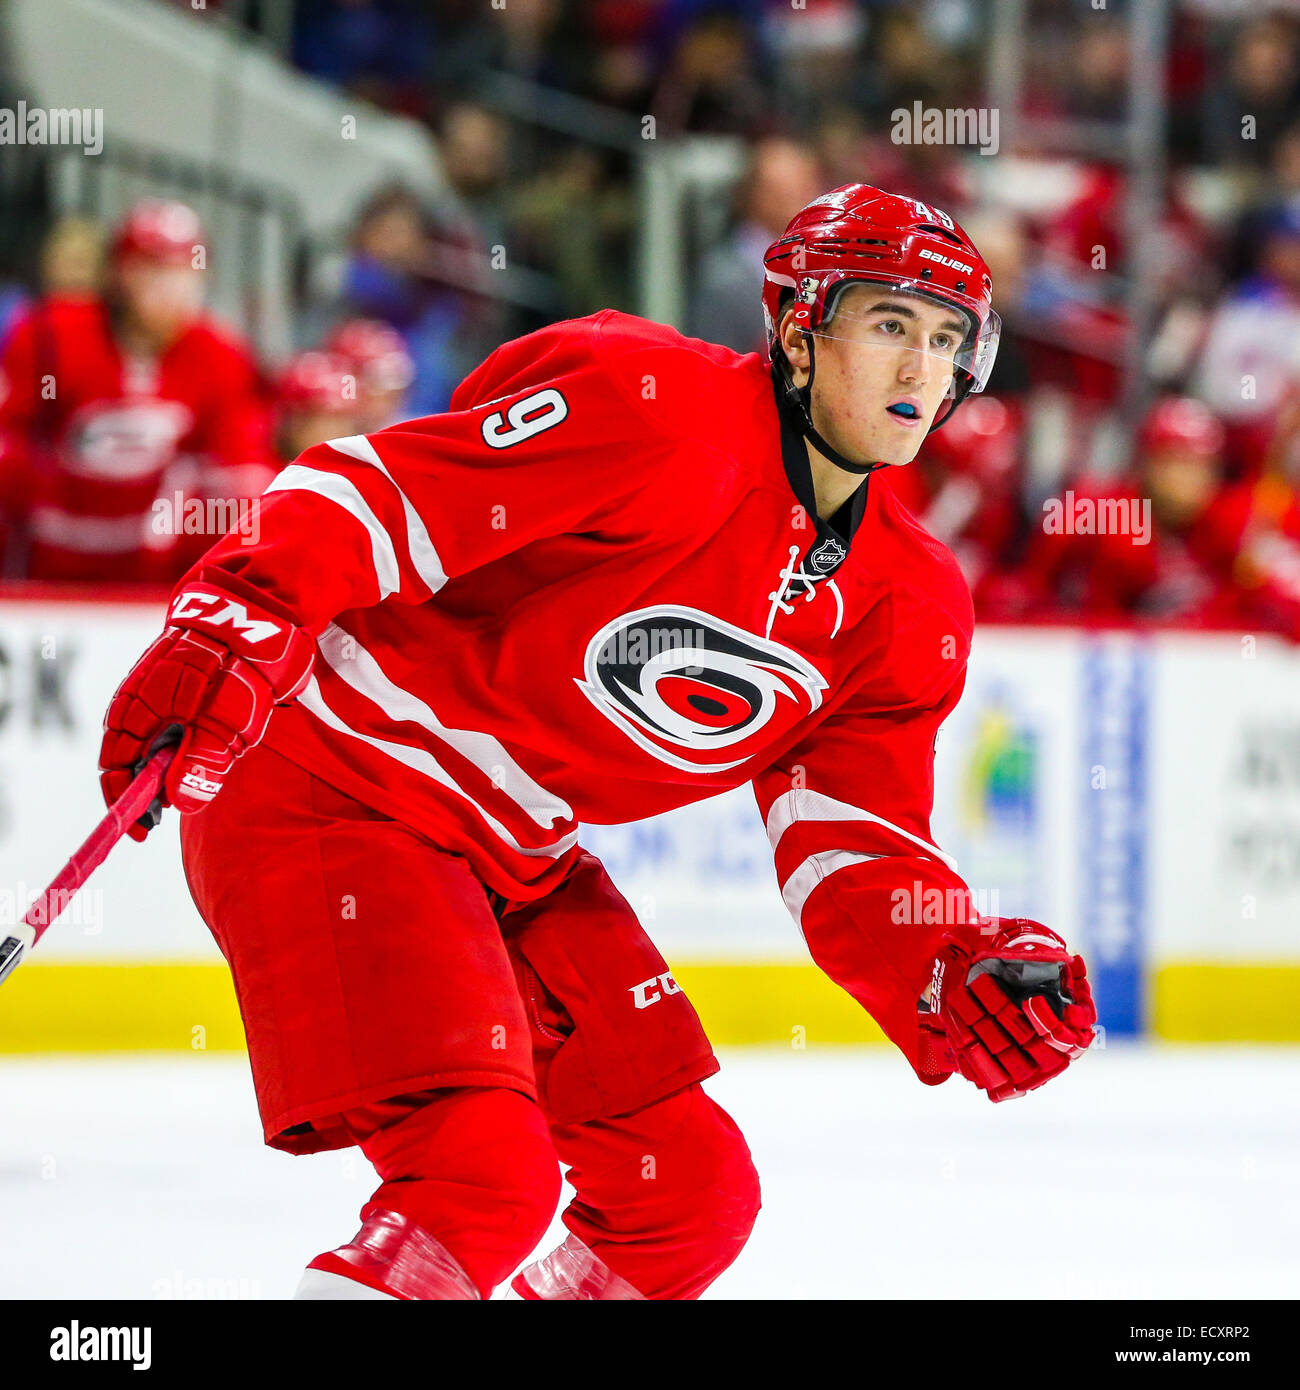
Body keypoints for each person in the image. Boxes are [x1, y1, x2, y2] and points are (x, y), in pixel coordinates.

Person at [97, 185, 1096, 1301]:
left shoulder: (904, 602)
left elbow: (850, 842)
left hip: (516, 858)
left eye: (948, 338)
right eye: (888, 325)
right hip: (334, 781)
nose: (922, 370)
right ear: (799, 330)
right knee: (478, 1182)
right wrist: (237, 614)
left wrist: (944, 961)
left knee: (686, 1200)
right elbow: (372, 488)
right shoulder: (656, 408)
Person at [0, 199, 272, 583]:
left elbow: (239, 475)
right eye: (156, 271)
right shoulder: (50, 334)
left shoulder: (220, 356)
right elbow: (9, 440)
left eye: (188, 273)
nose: (176, 289)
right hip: (40, 566)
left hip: (150, 577)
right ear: (119, 273)